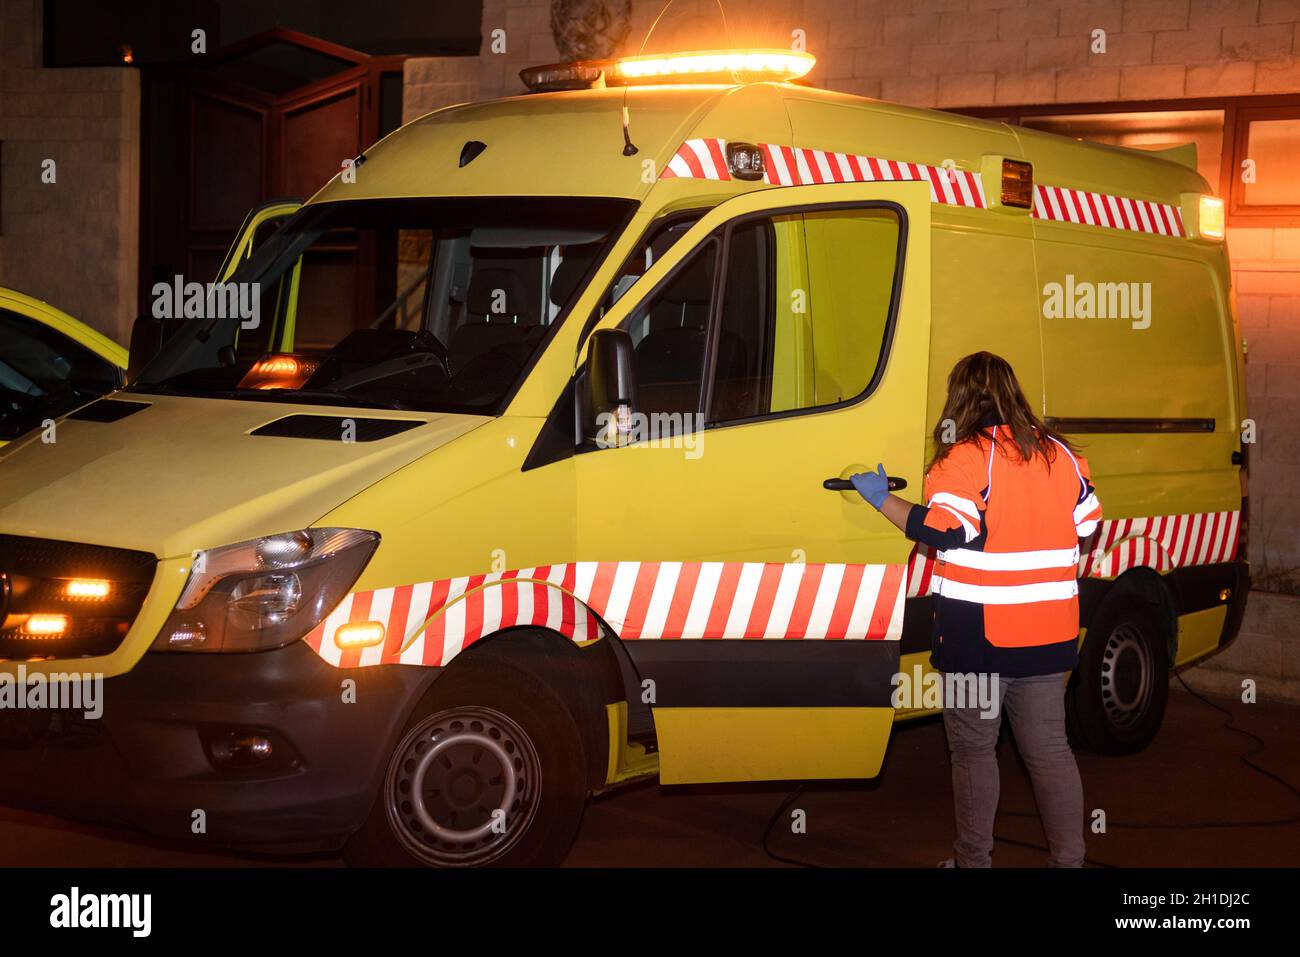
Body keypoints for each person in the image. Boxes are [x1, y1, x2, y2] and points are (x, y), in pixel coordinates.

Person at [851, 351, 1101, 868]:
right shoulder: (1061, 455)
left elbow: (946, 529)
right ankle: (1069, 862)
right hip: (1050, 636)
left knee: (973, 752)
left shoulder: (964, 458)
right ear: (1013, 391)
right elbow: (1088, 525)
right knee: (1050, 752)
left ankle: (973, 862)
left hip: (978, 640)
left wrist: (881, 500)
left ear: (959, 399)